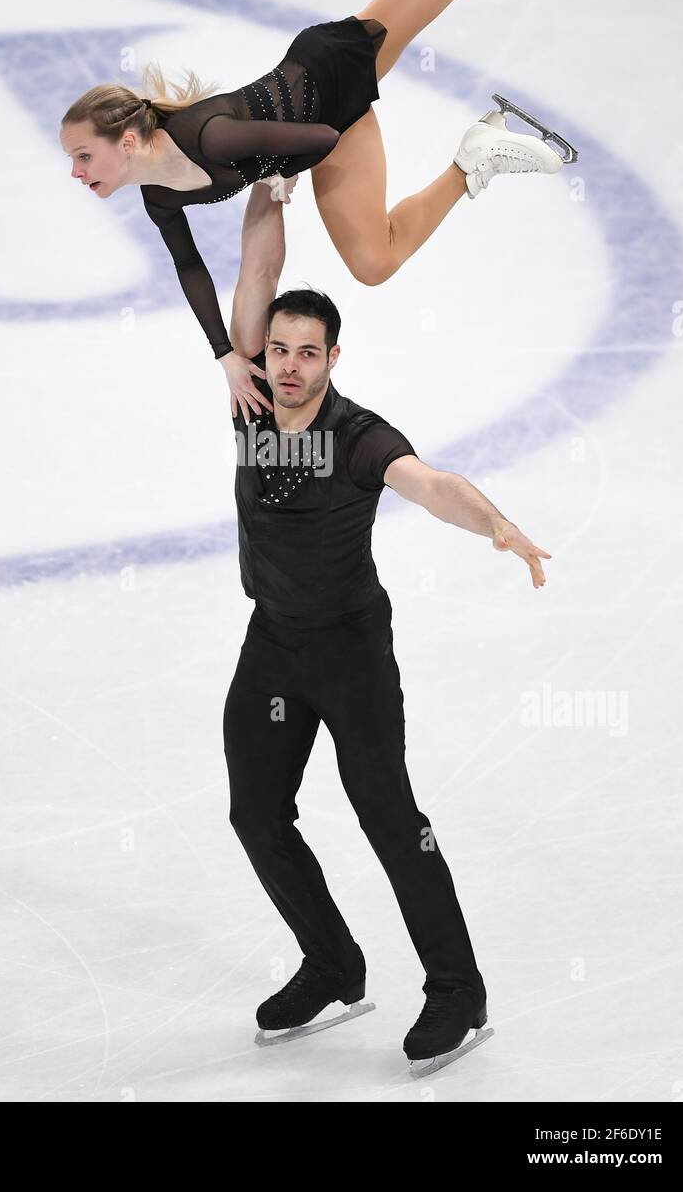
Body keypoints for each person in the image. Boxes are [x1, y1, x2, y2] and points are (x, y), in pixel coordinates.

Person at [222, 181, 552, 1062]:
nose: (288, 365)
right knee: (256, 812)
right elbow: (258, 267)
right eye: (278, 348)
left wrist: (496, 524)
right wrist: (268, 187)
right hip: (273, 648)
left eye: (307, 352)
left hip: (348, 653)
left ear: (334, 357)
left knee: (389, 819)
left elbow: (431, 484)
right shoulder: (251, 402)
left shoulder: (359, 435)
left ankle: (459, 991)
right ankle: (332, 963)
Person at [59, 0, 573, 423]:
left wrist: (275, 169)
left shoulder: (207, 139)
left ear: (124, 142)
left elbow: (321, 139)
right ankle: (476, 155)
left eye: (82, 156)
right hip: (329, 125)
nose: (76, 172)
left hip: (332, 69)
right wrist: (226, 356)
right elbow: (189, 266)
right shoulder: (159, 195)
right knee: (374, 263)